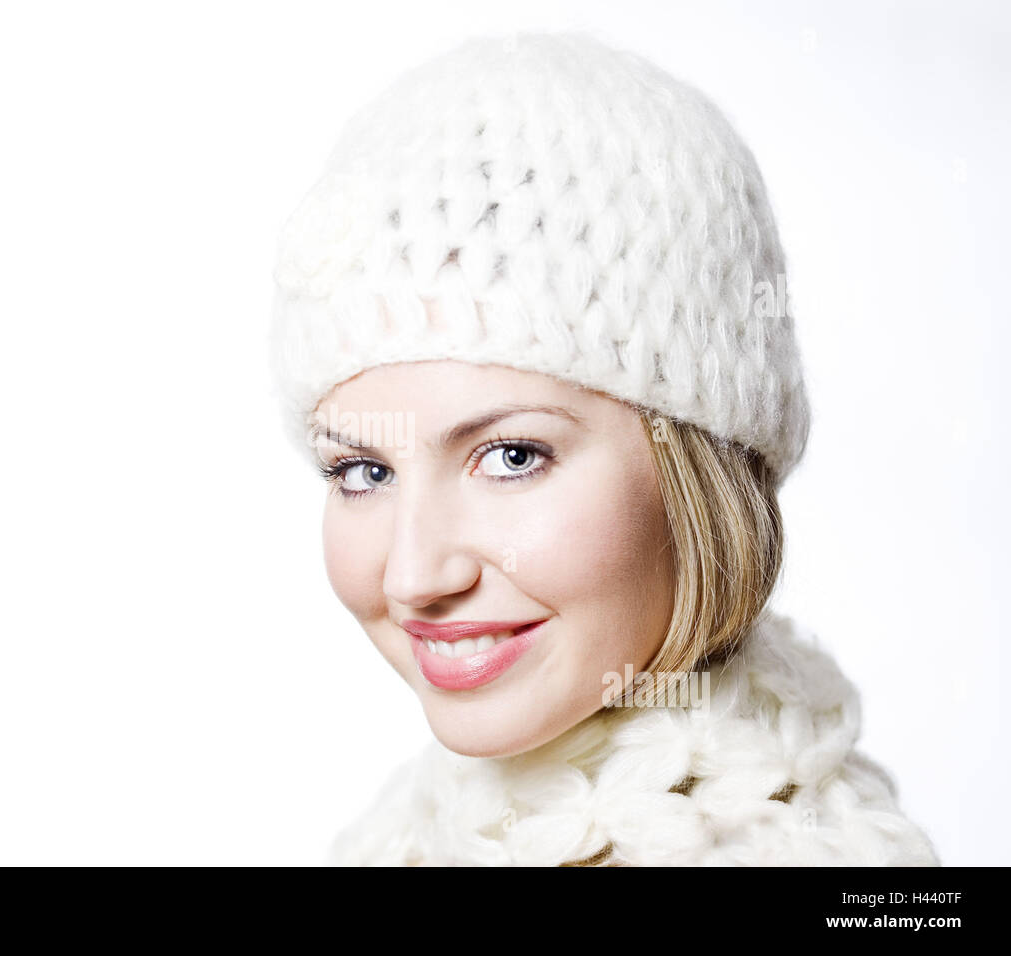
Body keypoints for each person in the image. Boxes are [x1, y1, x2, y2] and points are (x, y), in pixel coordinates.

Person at [266, 31, 939, 866]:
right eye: (362, 471)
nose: (413, 576)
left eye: (512, 456)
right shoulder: (400, 838)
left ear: (700, 469)